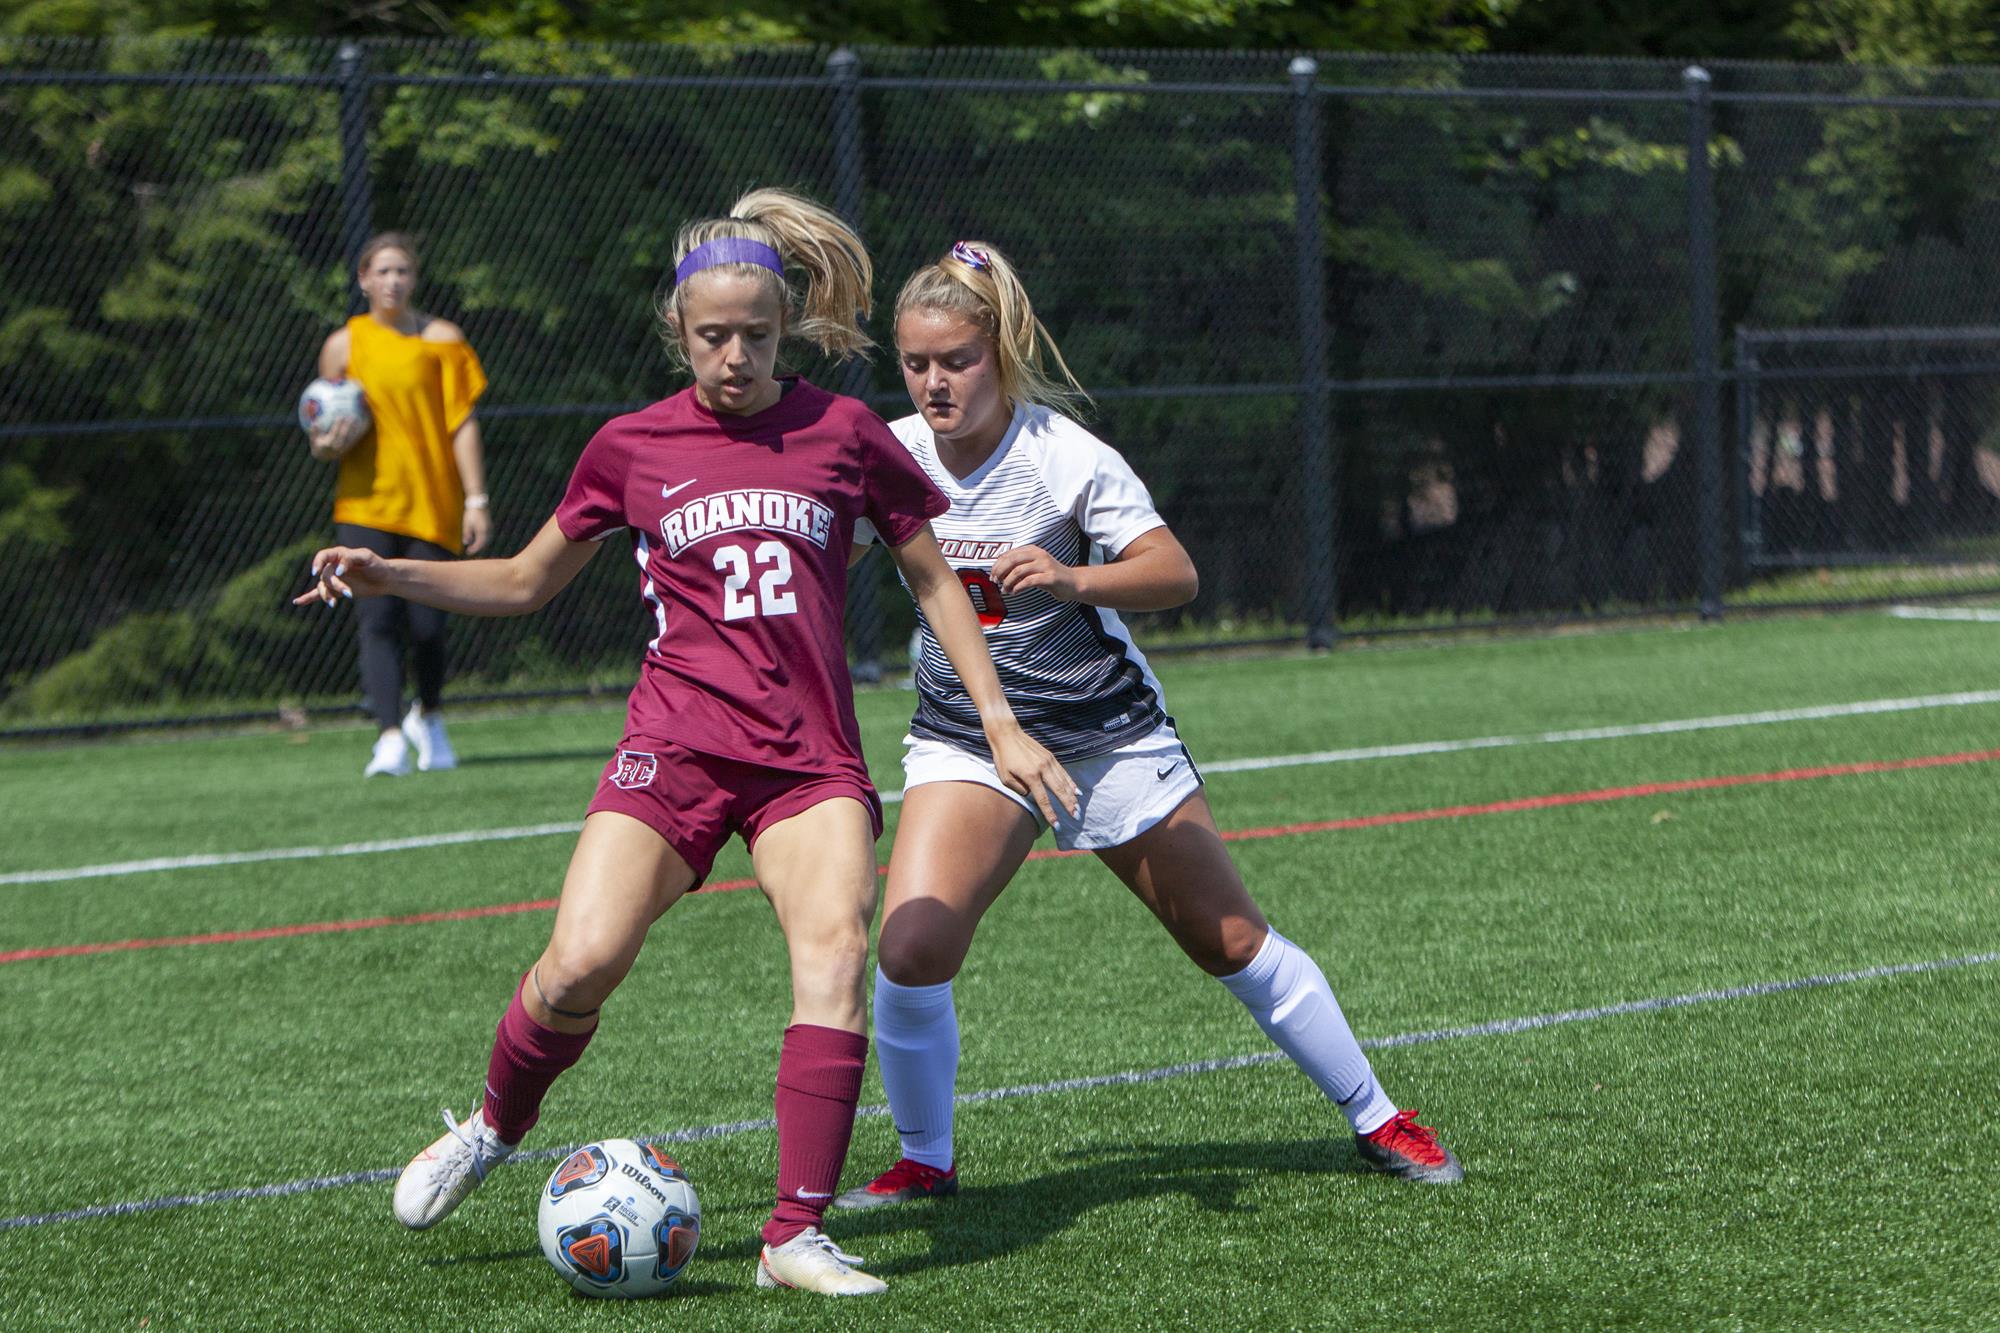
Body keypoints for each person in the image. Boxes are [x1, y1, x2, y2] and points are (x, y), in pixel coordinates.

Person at [295, 195, 1077, 1296]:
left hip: (806, 760)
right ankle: (489, 1125)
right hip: (674, 747)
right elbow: (523, 581)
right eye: (713, 335)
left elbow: (932, 576)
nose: (735, 355)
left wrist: (999, 719)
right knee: (579, 964)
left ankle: (792, 1235)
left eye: (756, 333)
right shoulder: (631, 445)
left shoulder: (843, 433)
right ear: (679, 328)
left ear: (783, 325)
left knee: (834, 951)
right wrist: (390, 570)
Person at [834, 241, 1462, 1213]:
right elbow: (819, 546)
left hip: (1103, 735)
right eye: (915, 364)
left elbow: (1174, 573)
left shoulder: (1063, 456)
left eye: (953, 360)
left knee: (1226, 938)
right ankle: (925, 1159)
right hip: (969, 735)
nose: (933, 382)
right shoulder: (889, 452)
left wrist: (1076, 576)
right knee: (911, 947)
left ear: (996, 351)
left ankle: (1376, 1114)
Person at [309, 231, 492, 777]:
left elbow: (462, 423)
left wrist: (476, 500)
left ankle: (428, 717)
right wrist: (327, 443)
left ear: (414, 279)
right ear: (363, 279)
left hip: (433, 501)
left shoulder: (444, 339)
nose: (392, 281)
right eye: (382, 271)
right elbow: (322, 426)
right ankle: (388, 736)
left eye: (402, 271)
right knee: (377, 619)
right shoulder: (345, 344)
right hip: (365, 504)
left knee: (429, 623)